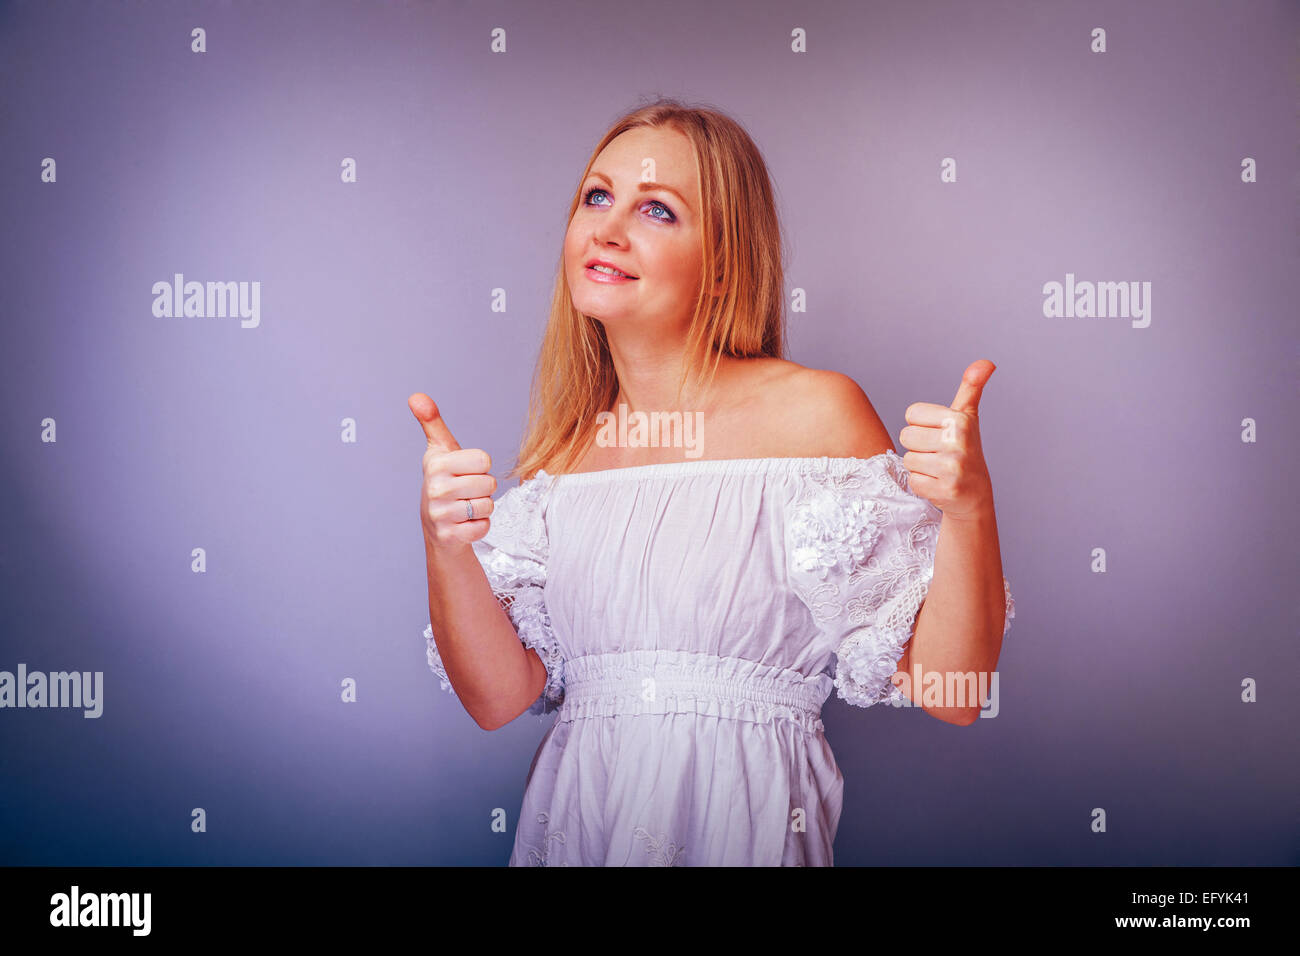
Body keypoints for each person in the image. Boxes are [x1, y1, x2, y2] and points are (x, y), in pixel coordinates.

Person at [411, 97, 1015, 866]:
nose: (608, 228)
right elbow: (498, 700)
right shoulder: (565, 455)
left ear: (724, 260)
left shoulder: (814, 414)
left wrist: (970, 509)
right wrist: (445, 545)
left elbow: (954, 695)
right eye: (598, 196)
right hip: (579, 832)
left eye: (657, 209)